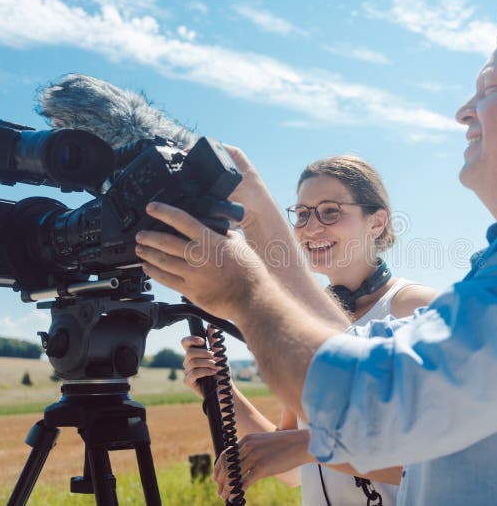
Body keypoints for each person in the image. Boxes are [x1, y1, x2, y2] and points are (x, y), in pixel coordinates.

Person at [135, 0, 497, 504]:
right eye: (302, 215)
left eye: (490, 88)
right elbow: (354, 364)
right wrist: (260, 217)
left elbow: (374, 410)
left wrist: (243, 289)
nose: (465, 111)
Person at [181, 156, 436, 504]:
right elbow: (290, 469)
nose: (310, 228)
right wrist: (221, 389)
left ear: (376, 222)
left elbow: (433, 461)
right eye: (302, 214)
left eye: (329, 211)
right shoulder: (305, 325)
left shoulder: (414, 306)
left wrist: (311, 448)